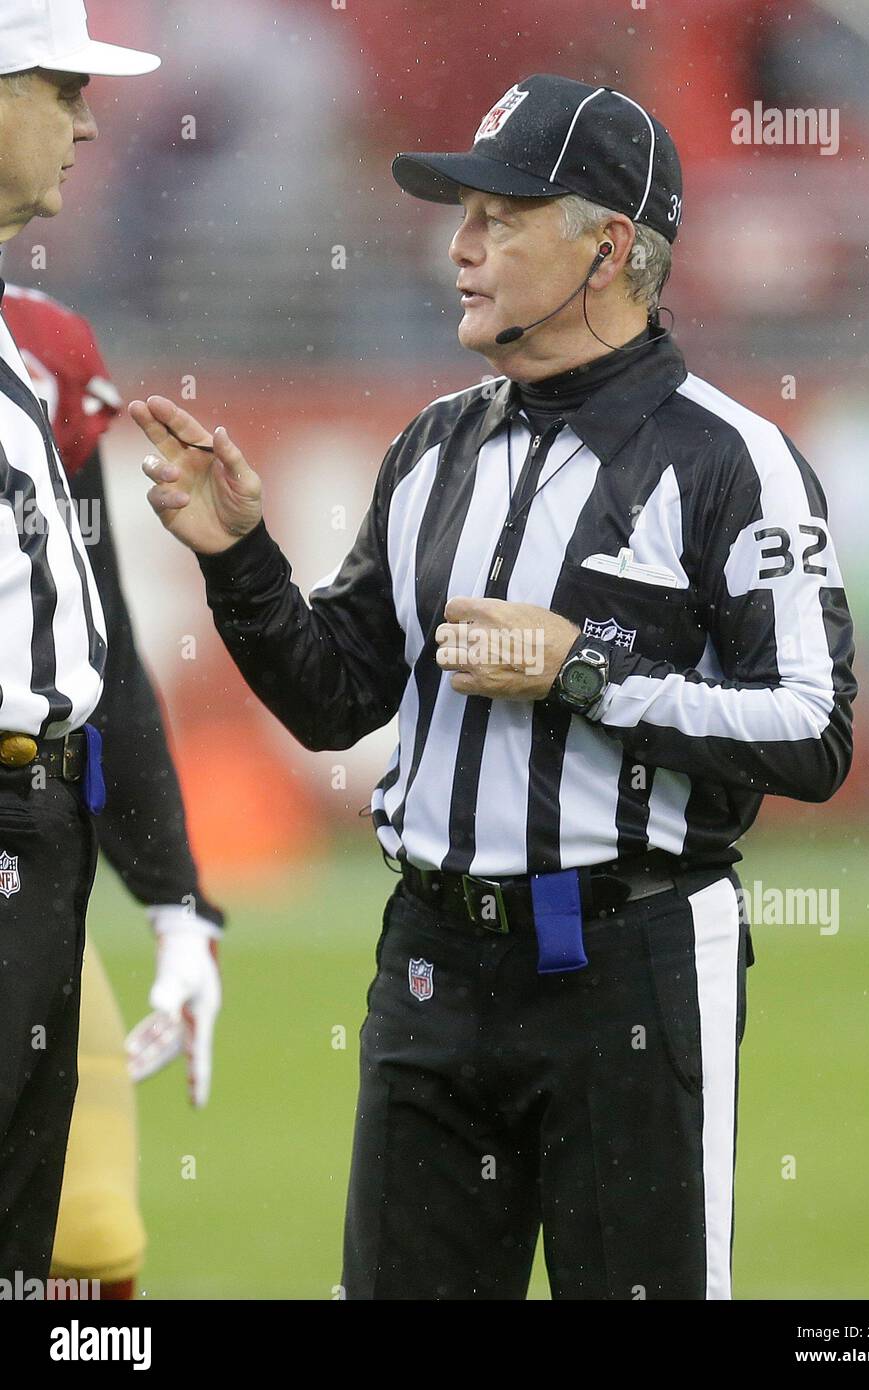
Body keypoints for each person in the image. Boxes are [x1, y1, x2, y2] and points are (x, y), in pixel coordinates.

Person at [131, 74, 857, 1300]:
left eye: (500, 217)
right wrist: (239, 559)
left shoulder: (733, 459)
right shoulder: (431, 446)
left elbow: (811, 728)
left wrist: (582, 666)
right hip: (430, 967)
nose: (456, 247)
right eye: (461, 213)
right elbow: (336, 699)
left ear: (608, 250)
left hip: (630, 960)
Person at [0, 283, 224, 1300]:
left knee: (83, 1244)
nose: (83, 132)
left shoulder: (43, 348)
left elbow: (98, 646)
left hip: (20, 835)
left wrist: (176, 899)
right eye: (60, 106)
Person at [0, 0, 161, 1282]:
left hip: (46, 821)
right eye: (61, 87)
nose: (88, 120)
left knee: (40, 1247)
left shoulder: (20, 349)